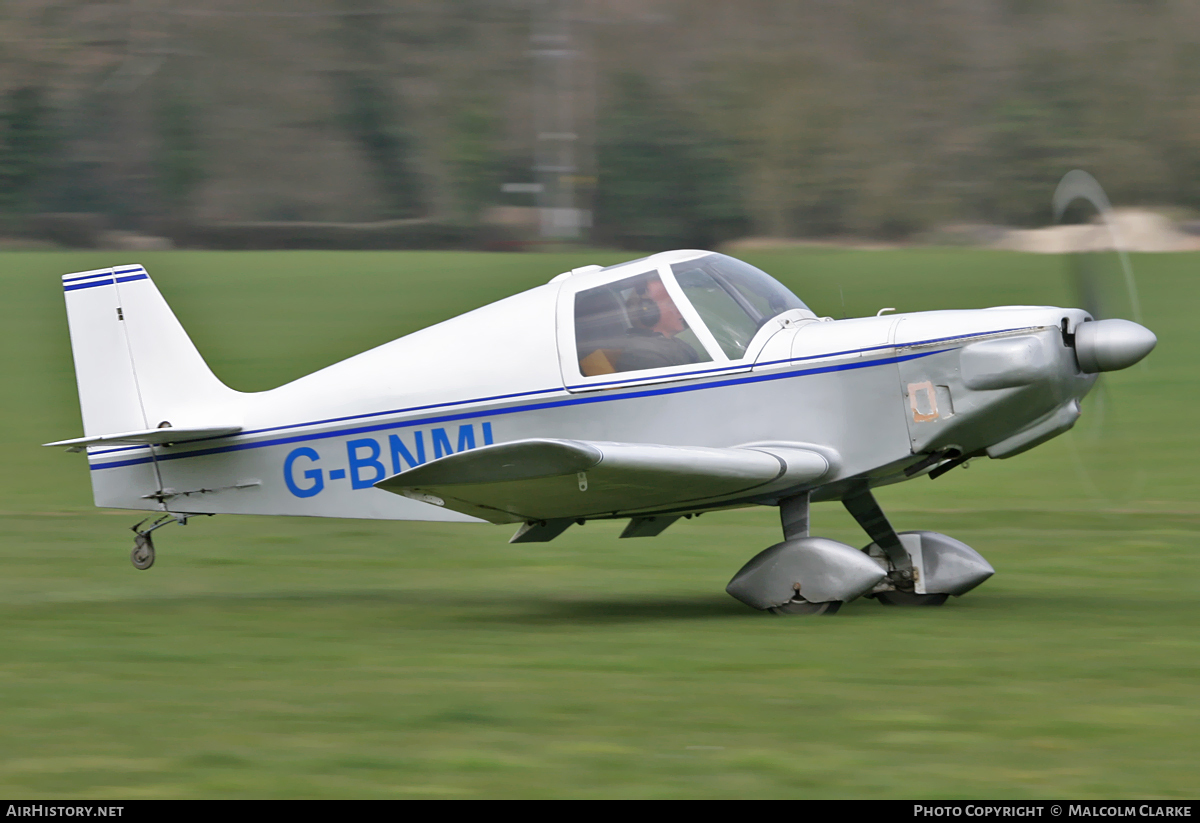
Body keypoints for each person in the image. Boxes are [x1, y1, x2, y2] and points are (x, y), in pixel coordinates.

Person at [613, 277, 703, 372]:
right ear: (649, 313)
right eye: (671, 304)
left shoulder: (677, 344)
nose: (680, 310)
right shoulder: (644, 355)